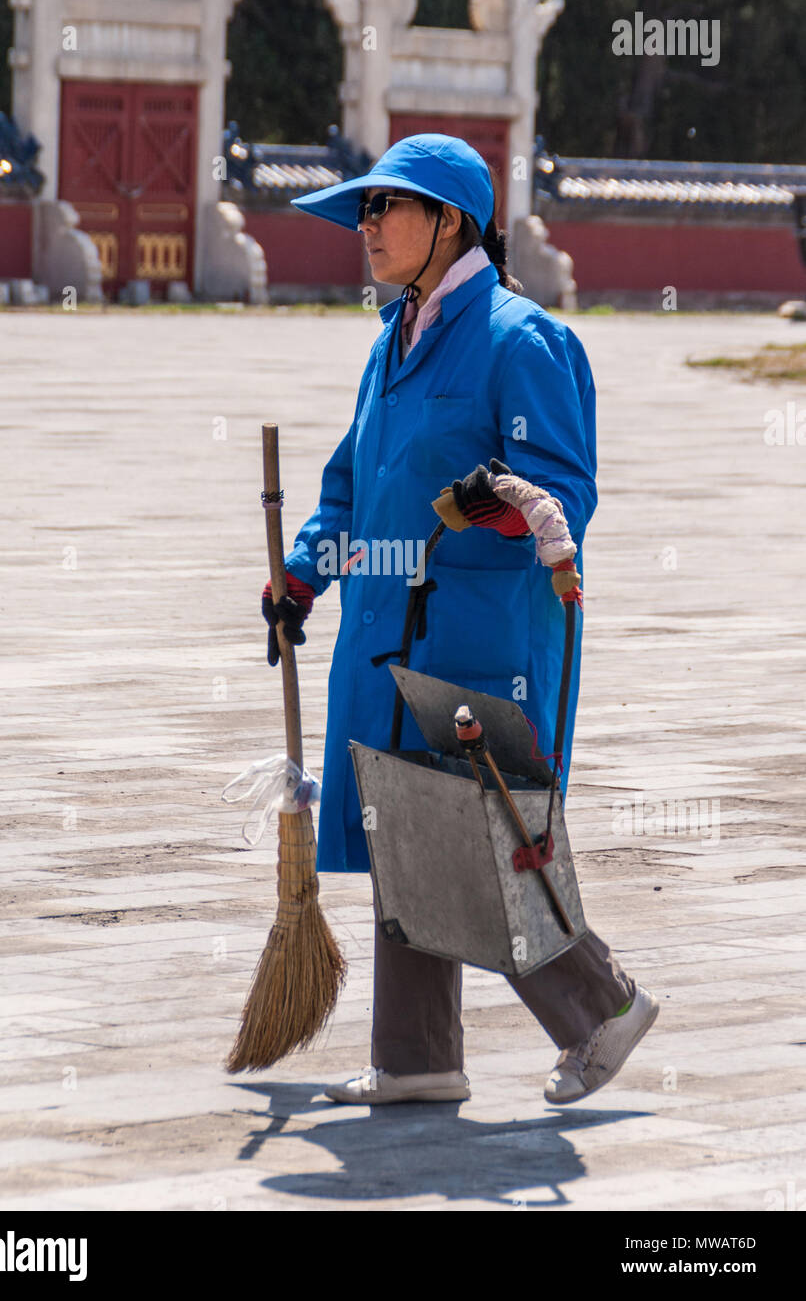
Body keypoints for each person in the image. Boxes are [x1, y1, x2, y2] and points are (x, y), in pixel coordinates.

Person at [260, 133, 657, 1105]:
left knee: (475, 846)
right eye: (363, 210)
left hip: (480, 636)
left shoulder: (523, 339)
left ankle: (602, 1007)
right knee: (405, 828)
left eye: (386, 207)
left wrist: (475, 503)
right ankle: (418, 1059)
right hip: (386, 630)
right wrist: (306, 573)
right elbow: (351, 486)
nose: (368, 227)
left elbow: (561, 490)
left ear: (451, 221)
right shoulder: (391, 340)